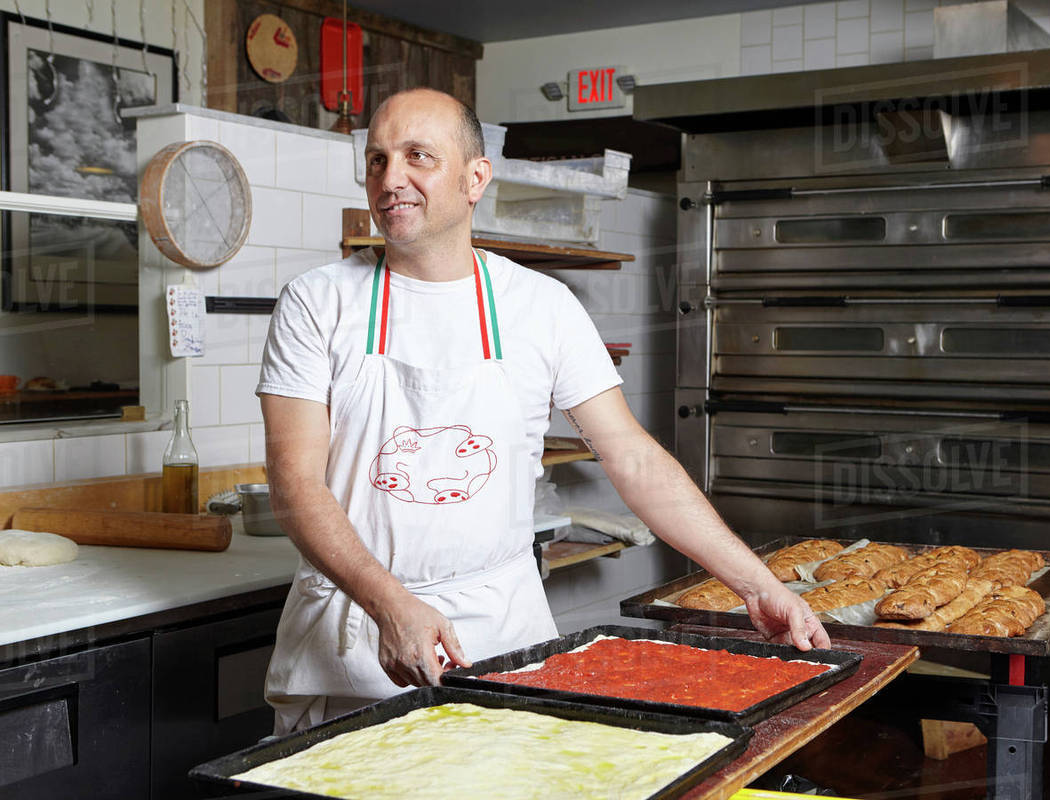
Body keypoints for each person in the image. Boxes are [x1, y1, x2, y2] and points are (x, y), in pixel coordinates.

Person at [256, 87, 830, 734]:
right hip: (355, 647)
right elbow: (294, 484)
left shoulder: (541, 307)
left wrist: (755, 585)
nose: (393, 179)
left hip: (501, 638)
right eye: (378, 160)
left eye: (419, 156)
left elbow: (634, 459)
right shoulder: (316, 304)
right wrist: (389, 604)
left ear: (476, 179)